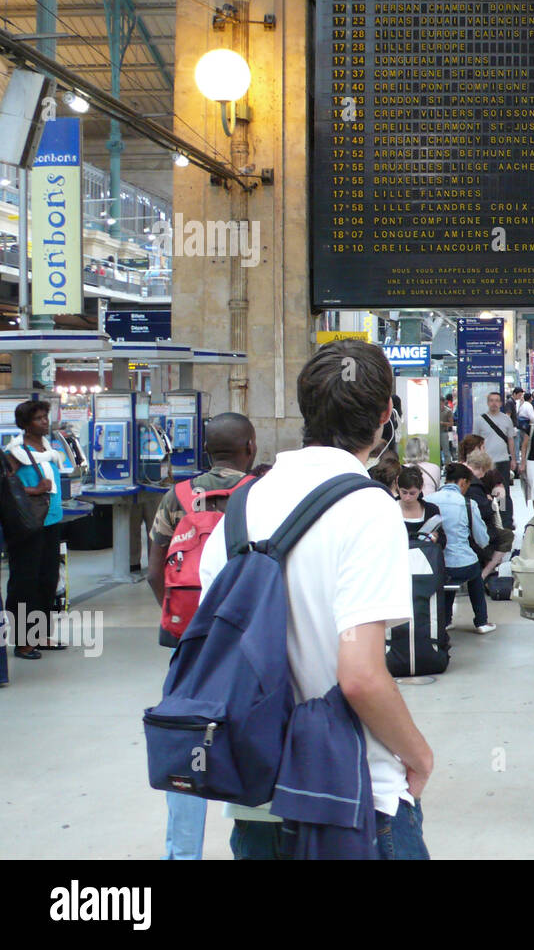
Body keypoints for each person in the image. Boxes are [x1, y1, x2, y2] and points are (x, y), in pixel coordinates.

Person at [198, 340, 433, 860]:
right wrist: (418, 754)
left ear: (307, 411)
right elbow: (360, 675)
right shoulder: (368, 507)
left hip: (256, 798)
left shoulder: (240, 509)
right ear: (385, 416)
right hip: (352, 798)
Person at [147, 411, 257, 861]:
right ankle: (251, 842)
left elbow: (155, 571)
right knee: (252, 739)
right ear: (249, 447)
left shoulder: (177, 496)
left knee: (185, 738)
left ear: (208, 449)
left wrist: (184, 623)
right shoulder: (257, 494)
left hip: (190, 644)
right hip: (246, 641)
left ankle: (182, 854)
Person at [4, 399, 66, 661]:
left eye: (45, 417)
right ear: (26, 424)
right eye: (39, 418)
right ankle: (22, 641)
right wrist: (34, 490)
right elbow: (5, 487)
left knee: (47, 579)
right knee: (25, 582)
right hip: (28, 525)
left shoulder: (46, 448)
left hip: (50, 521)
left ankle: (40, 634)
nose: (45, 422)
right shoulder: (16, 452)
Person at [429, 462, 495, 639]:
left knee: (447, 576)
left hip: (436, 565)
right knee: (475, 574)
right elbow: (482, 539)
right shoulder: (467, 504)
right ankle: (481, 621)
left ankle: (446, 619)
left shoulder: (429, 499)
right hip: (462, 564)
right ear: (463, 482)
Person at [464, 448, 513, 583]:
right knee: (506, 536)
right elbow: (499, 502)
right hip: (475, 528)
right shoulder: (478, 482)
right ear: (481, 468)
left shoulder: (460, 475)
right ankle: (483, 575)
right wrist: (492, 502)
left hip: (464, 524)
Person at [472, 392, 519, 527]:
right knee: (486, 491)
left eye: (497, 401)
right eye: (491, 400)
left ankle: (505, 521)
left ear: (501, 403)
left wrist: (513, 459)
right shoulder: (479, 420)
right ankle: (490, 520)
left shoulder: (506, 420)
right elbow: (475, 441)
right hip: (485, 463)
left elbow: (511, 440)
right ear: (487, 403)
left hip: (503, 460)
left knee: (503, 492)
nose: (494, 403)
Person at [396, 465, 440, 541]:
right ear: (398, 487)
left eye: (412, 493)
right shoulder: (388, 508)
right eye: (404, 492)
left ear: (420, 489)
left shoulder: (431, 510)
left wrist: (436, 538)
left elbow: (442, 540)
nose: (407, 497)